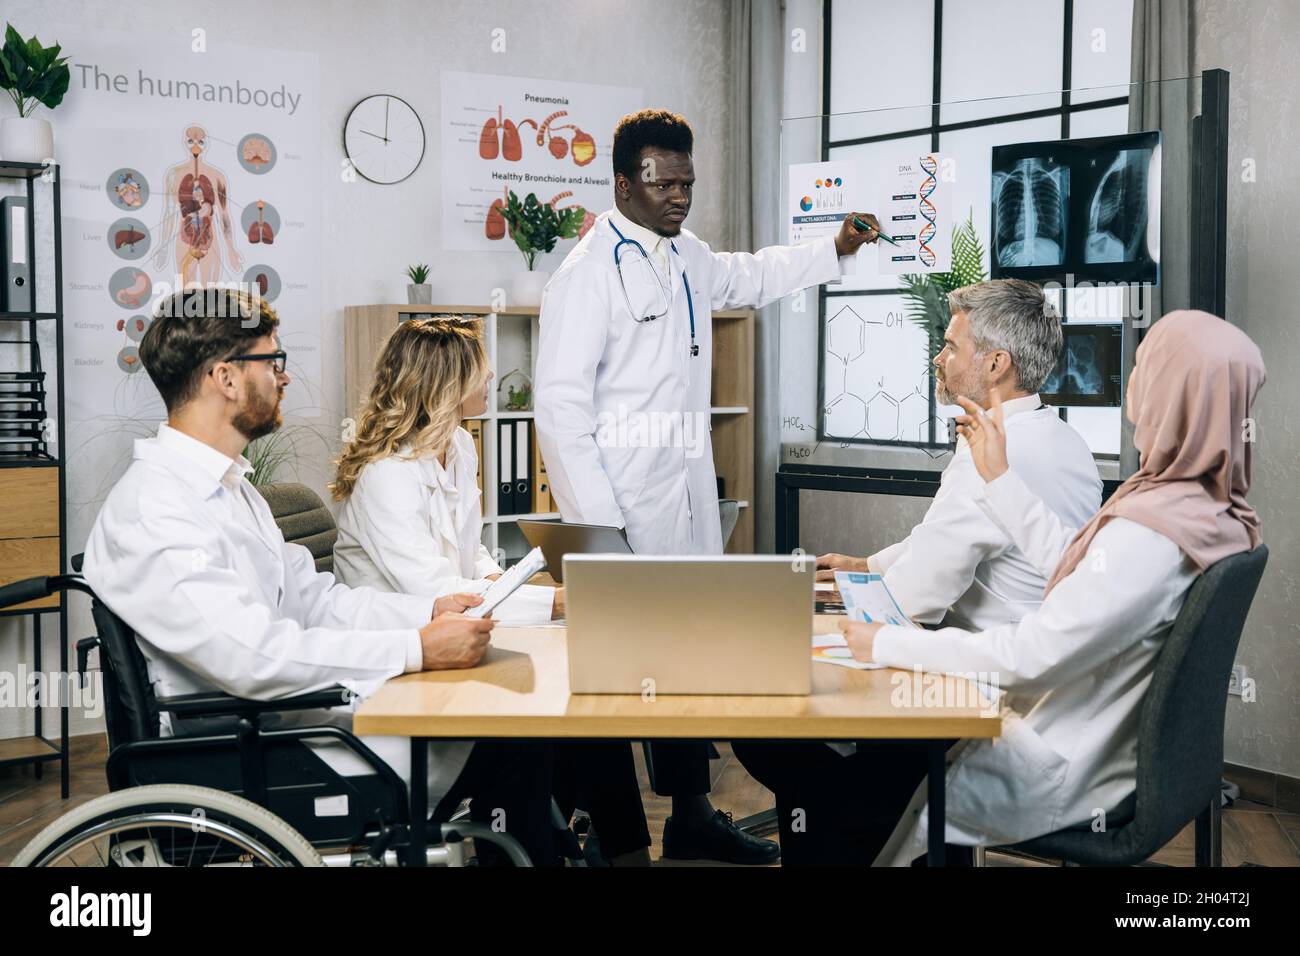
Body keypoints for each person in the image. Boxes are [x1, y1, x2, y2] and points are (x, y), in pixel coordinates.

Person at [738, 309, 1265, 865]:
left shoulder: (1151, 530)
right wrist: (1002, 483)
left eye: (1141, 368)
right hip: (1100, 738)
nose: (1130, 381)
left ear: (1170, 393)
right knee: (847, 774)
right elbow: (1079, 565)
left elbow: (1032, 653)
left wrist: (886, 643)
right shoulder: (1203, 512)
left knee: (830, 772)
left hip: (1057, 757)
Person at [82, 288, 558, 865]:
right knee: (510, 738)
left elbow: (317, 601)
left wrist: (428, 616)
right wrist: (414, 649)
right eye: (272, 362)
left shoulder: (232, 491)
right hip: (256, 753)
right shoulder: (155, 508)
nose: (284, 379)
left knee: (519, 733)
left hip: (293, 721)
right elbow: (253, 657)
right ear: (225, 377)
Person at [534, 108, 882, 864]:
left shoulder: (686, 254)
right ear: (624, 182)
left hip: (684, 492)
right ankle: (604, 840)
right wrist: (601, 534)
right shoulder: (586, 274)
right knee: (616, 680)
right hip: (620, 506)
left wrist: (835, 248)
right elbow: (560, 413)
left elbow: (752, 276)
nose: (680, 197)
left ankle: (690, 815)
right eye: (664, 184)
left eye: (689, 183)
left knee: (686, 658)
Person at [331, 316, 652, 865]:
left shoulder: (457, 444)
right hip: (405, 652)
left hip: (456, 632)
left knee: (589, 706)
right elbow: (432, 587)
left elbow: (470, 553)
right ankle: (548, 848)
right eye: (481, 370)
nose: (492, 377)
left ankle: (617, 852)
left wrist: (515, 584)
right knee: (543, 722)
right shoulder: (386, 474)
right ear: (445, 383)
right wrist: (550, 600)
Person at [818, 279, 1102, 631]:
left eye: (951, 347)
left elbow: (915, 596)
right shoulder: (1063, 437)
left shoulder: (993, 456)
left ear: (996, 364)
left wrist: (825, 613)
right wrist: (869, 566)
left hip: (993, 666)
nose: (939, 358)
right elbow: (944, 538)